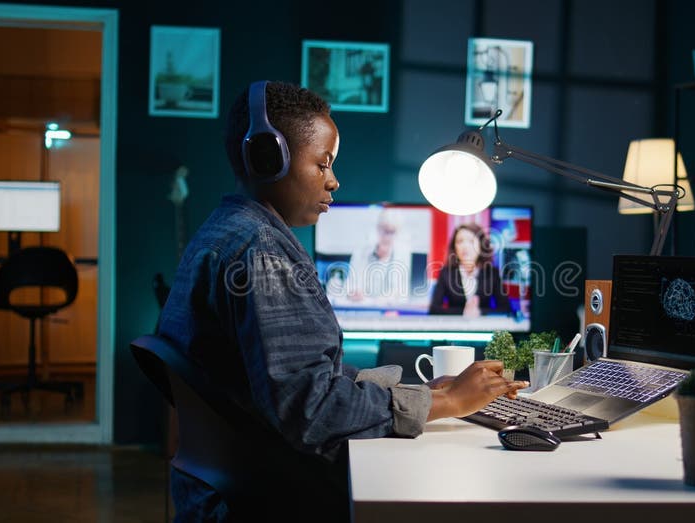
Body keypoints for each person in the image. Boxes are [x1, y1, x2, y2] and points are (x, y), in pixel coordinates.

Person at [156, 80, 528, 522]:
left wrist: (412, 392)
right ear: (267, 159)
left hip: (227, 491)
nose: (334, 180)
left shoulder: (225, 230)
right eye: (323, 163)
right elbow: (312, 411)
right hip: (272, 497)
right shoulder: (263, 253)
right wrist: (447, 404)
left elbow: (305, 380)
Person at [429, 223, 510, 317]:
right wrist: (463, 313)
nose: (465, 246)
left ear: (481, 246)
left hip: (483, 328)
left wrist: (480, 312)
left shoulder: (492, 273)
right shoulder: (446, 273)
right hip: (456, 328)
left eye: (471, 241)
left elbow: (506, 309)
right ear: (455, 248)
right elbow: (433, 310)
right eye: (459, 241)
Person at [345, 208, 412, 303]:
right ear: (378, 228)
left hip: (389, 313)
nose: (387, 237)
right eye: (385, 231)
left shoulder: (402, 256)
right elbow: (348, 288)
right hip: (362, 309)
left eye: (392, 232)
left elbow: (402, 295)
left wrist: (385, 300)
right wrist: (352, 293)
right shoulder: (361, 253)